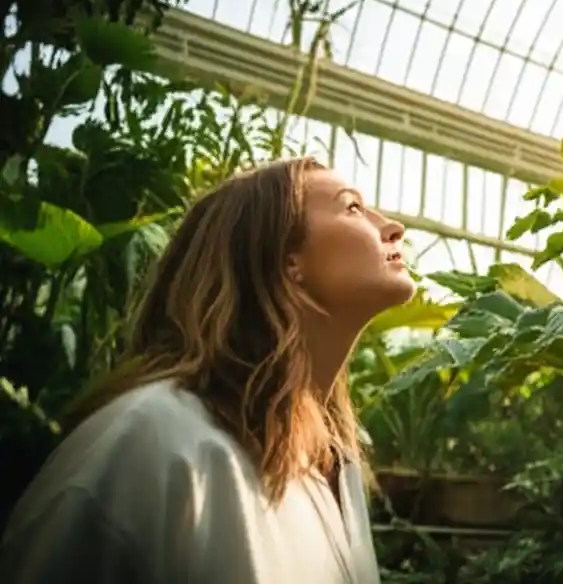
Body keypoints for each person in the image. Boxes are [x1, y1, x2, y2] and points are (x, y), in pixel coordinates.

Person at [0, 157, 415, 583]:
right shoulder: (149, 445)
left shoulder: (333, 463)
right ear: (286, 261)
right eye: (351, 207)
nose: (393, 226)